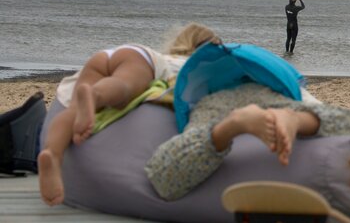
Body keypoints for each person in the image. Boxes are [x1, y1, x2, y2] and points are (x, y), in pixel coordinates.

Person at [38, 23, 220, 206]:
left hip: (109, 56)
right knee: (123, 88)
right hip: (142, 59)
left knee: (73, 111)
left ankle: (52, 153)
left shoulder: (166, 56)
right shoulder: (189, 65)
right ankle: (95, 95)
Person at [145, 82, 350, 201]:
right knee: (341, 122)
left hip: (212, 99)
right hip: (266, 91)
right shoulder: (264, 75)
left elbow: (162, 181)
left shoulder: (179, 70)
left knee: (165, 177)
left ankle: (232, 125)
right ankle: (295, 119)